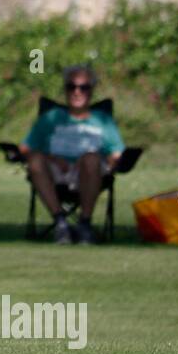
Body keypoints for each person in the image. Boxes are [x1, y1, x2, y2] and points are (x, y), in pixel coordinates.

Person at [19, 65, 126, 244]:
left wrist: (99, 162)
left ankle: (84, 224)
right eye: (71, 87)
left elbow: (117, 153)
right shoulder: (51, 118)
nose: (77, 92)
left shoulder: (103, 121)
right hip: (55, 172)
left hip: (91, 173)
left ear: (91, 91)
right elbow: (25, 148)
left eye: (83, 87)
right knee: (35, 160)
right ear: (65, 89)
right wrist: (51, 158)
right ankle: (60, 222)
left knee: (91, 160)